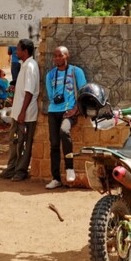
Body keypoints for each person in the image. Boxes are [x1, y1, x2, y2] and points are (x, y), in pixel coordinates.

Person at [44, 46, 87, 189]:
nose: (57, 58)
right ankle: (56, 178)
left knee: (64, 131)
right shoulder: (50, 75)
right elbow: (51, 95)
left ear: (67, 56)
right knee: (54, 144)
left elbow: (83, 92)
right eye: (55, 56)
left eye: (60, 55)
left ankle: (70, 168)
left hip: (69, 112)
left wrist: (75, 109)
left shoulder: (76, 72)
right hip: (53, 111)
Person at [0, 38, 40, 182]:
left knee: (23, 143)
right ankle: (11, 169)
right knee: (14, 141)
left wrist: (22, 112)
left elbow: (29, 92)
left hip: (26, 114)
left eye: (18, 49)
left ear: (25, 51)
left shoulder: (30, 66)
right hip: (18, 112)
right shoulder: (25, 65)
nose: (16, 51)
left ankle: (20, 171)